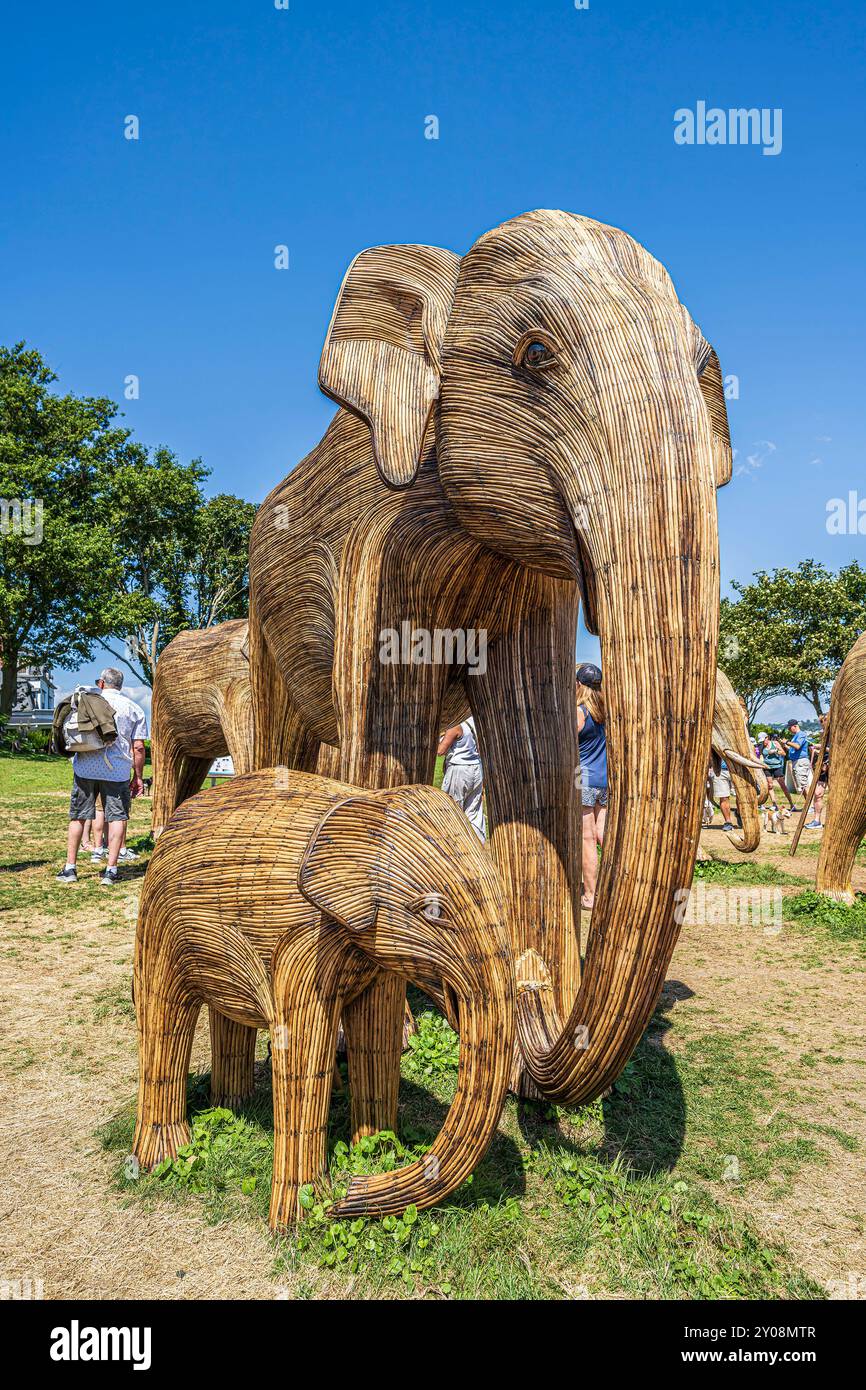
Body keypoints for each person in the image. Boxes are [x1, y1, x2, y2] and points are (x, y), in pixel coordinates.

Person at [56, 667, 148, 886]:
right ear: (121, 685)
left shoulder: (86, 701)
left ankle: (70, 868)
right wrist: (138, 777)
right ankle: (111, 870)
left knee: (78, 816)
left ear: (101, 683)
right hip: (116, 771)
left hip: (85, 768)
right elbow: (138, 748)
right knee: (117, 817)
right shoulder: (133, 708)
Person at [575, 662, 607, 912]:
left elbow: (567, 741)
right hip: (603, 780)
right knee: (603, 836)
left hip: (582, 779)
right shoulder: (606, 711)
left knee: (587, 839)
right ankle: (617, 885)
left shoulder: (580, 711)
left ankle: (590, 894)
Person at [437, 716, 485, 840]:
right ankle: (477, 843)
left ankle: (455, 842)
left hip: (459, 770)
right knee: (473, 811)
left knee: (453, 807)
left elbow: (440, 750)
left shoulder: (455, 725)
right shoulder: (474, 721)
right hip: (476, 768)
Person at [757, 730, 795, 813]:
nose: (763, 743)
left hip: (777, 766)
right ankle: (774, 804)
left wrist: (775, 751)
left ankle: (791, 804)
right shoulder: (761, 746)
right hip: (767, 767)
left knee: (783, 786)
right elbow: (760, 756)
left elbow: (784, 753)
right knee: (770, 786)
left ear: (767, 738)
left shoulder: (775, 743)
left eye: (764, 740)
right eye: (761, 741)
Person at [805, 712, 830, 829]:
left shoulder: (836, 733)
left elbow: (836, 749)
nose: (821, 724)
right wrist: (817, 750)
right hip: (823, 767)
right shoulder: (823, 734)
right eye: (820, 721)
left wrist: (820, 746)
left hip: (833, 767)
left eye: (823, 721)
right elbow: (826, 750)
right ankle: (817, 820)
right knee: (817, 793)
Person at [779, 719, 812, 803]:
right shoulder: (795, 736)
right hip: (796, 761)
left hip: (800, 761)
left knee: (804, 784)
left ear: (795, 726)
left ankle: (810, 805)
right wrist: (785, 745)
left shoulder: (801, 734)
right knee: (801, 785)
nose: (789, 730)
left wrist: (787, 741)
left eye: (790, 728)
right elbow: (792, 749)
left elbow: (797, 746)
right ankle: (808, 805)